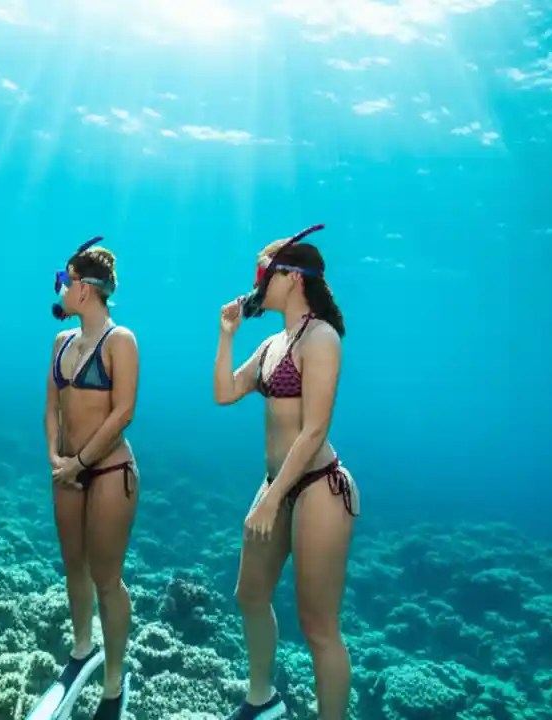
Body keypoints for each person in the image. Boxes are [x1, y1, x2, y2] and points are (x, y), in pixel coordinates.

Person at [214, 225, 360, 720]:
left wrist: (273, 498)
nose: (256, 284)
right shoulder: (274, 343)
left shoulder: (321, 338)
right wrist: (227, 336)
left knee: (318, 626)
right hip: (276, 485)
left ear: (294, 278)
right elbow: (224, 392)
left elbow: (315, 429)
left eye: (263, 275)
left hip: (318, 488)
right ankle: (262, 700)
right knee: (249, 594)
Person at [41, 237, 140, 720]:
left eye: (64, 281)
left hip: (109, 471)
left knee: (106, 577)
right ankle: (82, 650)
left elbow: (124, 412)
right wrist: (55, 456)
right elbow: (51, 408)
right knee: (73, 566)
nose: (60, 289)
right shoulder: (62, 342)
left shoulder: (121, 341)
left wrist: (79, 462)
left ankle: (114, 681)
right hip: (66, 469)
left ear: (84, 288)